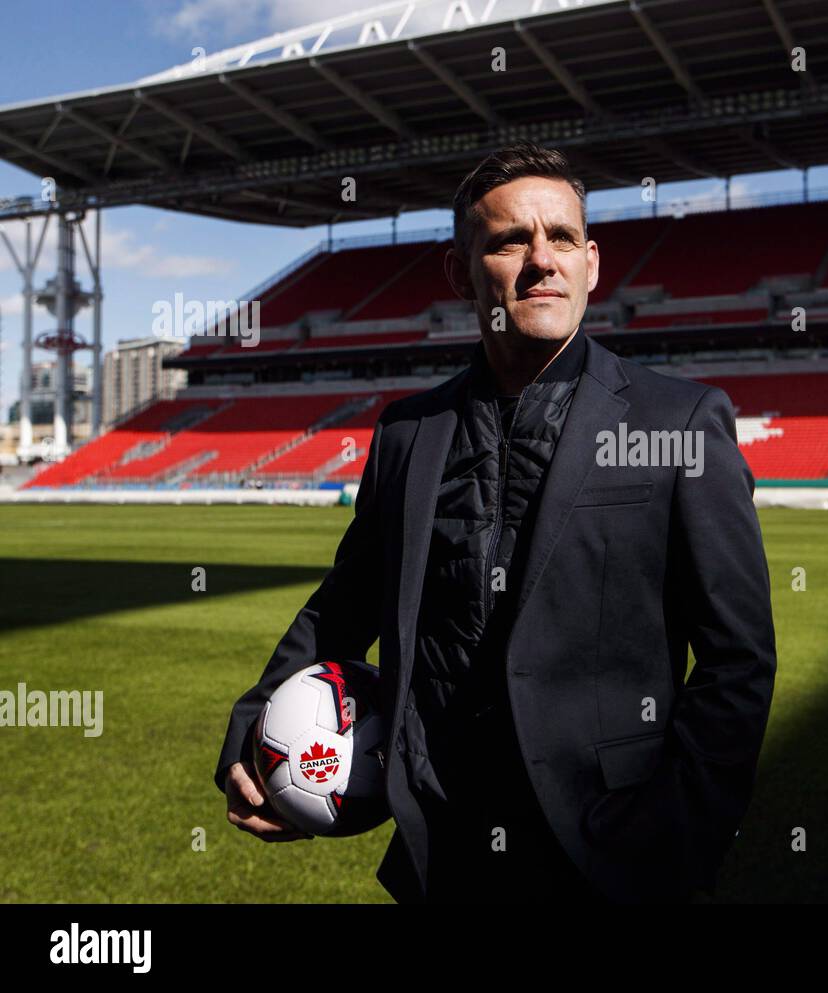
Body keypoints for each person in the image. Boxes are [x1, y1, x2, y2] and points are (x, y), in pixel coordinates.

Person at [215, 139, 777, 904]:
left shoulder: (680, 419)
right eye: (511, 239)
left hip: (615, 856)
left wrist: (679, 832)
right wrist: (255, 726)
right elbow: (343, 605)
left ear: (593, 264)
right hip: (444, 856)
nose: (542, 259)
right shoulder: (409, 432)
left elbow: (737, 659)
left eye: (564, 238)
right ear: (460, 271)